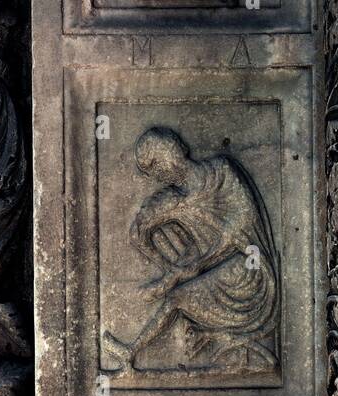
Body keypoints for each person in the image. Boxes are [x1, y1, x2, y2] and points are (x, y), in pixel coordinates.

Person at [103, 127, 279, 371]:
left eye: (156, 165)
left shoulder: (222, 171)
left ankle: (131, 352)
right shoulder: (175, 201)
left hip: (248, 267)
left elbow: (241, 224)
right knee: (176, 296)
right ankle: (132, 352)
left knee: (176, 298)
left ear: (173, 152)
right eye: (152, 170)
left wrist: (188, 269)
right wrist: (171, 270)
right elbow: (138, 233)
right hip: (218, 270)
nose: (158, 174)